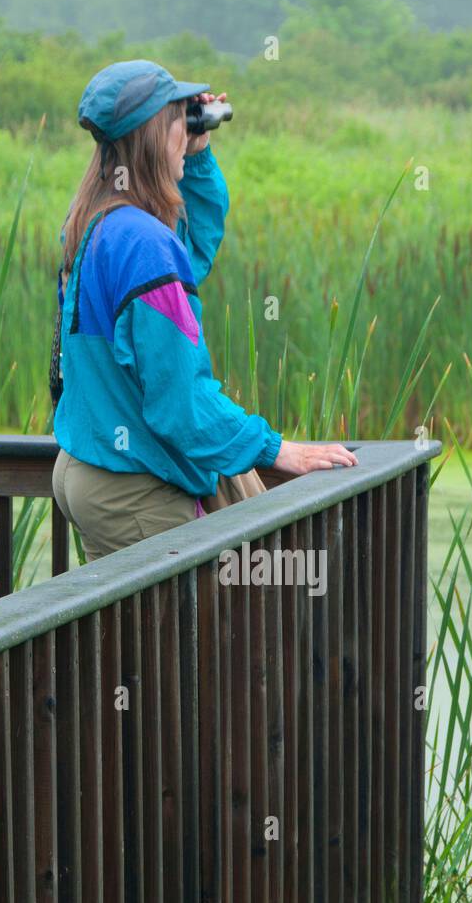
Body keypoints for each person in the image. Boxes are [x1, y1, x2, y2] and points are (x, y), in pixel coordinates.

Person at [51, 59, 356, 561]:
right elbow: (181, 403)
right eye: (180, 118)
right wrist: (275, 449)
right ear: (156, 134)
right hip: (135, 487)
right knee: (188, 640)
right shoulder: (145, 244)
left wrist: (197, 155)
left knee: (130, 640)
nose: (188, 129)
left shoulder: (94, 223)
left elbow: (191, 252)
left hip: (91, 469)